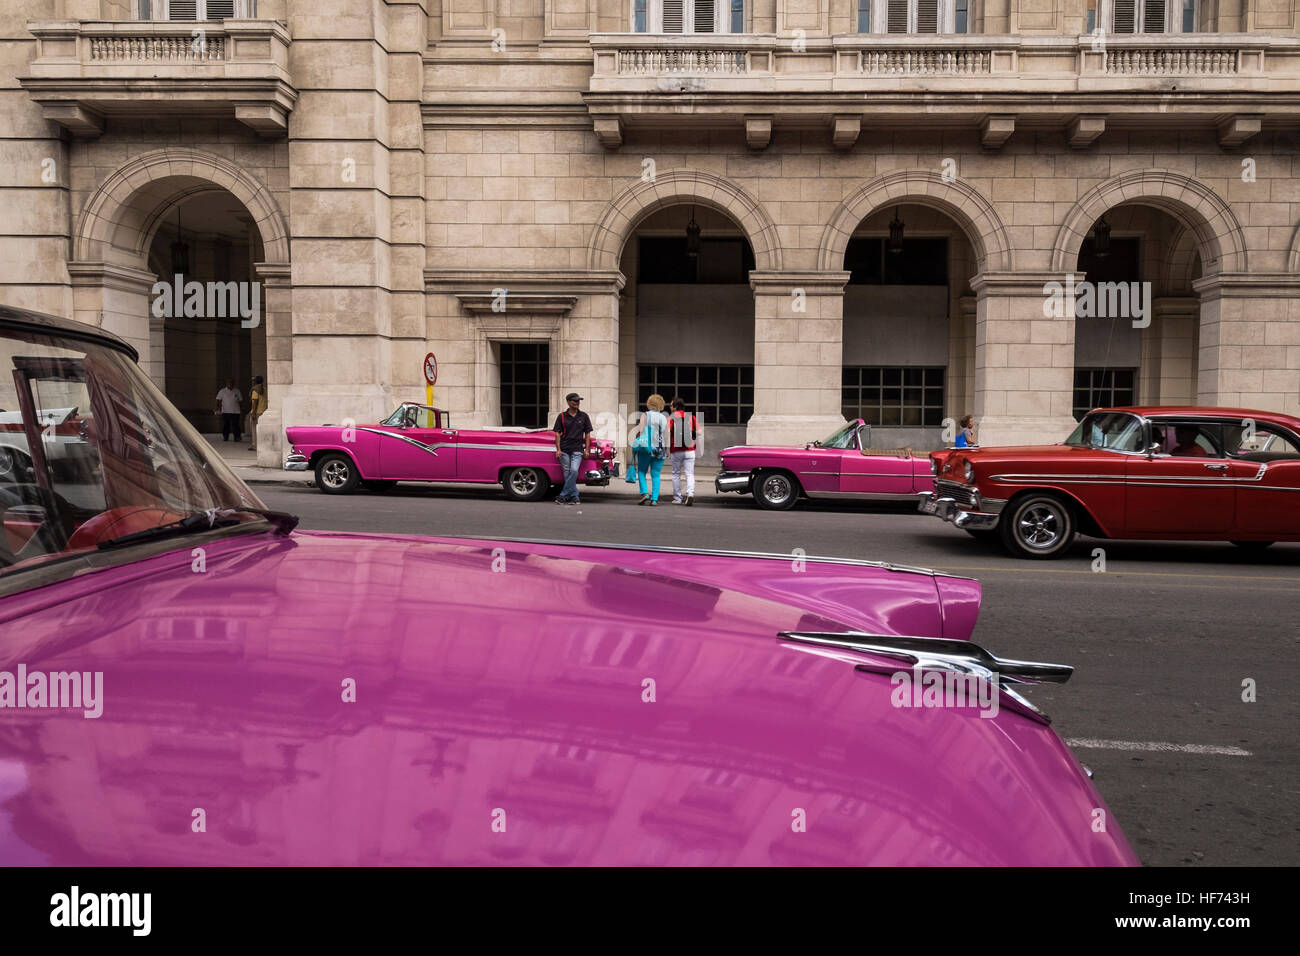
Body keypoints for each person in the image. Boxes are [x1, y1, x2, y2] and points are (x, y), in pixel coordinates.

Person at [552, 392, 594, 505]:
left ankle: (563, 496)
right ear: (568, 402)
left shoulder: (584, 416)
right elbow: (557, 434)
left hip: (577, 450)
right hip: (564, 450)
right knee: (567, 474)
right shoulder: (561, 416)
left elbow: (588, 434)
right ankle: (574, 497)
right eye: (575, 401)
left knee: (574, 471)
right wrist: (558, 449)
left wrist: (587, 450)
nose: (577, 403)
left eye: (578, 401)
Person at [632, 394, 667, 506]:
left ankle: (645, 493)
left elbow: (641, 431)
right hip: (659, 449)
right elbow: (666, 435)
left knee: (641, 471)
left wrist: (640, 444)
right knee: (655, 474)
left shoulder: (645, 415)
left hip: (646, 448)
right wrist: (668, 450)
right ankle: (654, 499)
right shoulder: (664, 417)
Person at [666, 396, 700, 506]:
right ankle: (690, 494)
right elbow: (699, 432)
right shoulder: (692, 417)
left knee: (676, 474)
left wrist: (666, 448)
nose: (670, 407)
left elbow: (667, 433)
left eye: (671, 405)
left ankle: (677, 498)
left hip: (676, 450)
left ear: (675, 407)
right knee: (689, 474)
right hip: (689, 450)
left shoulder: (671, 418)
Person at [215, 378, 242, 442]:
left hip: (236, 411)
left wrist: (242, 409)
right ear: (227, 384)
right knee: (226, 424)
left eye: (232, 382)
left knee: (235, 425)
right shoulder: (222, 391)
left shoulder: (237, 391)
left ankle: (237, 437)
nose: (231, 384)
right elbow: (218, 400)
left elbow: (240, 401)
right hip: (225, 411)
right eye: (229, 383)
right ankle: (225, 436)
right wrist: (217, 408)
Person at [247, 375, 268, 452]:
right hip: (264, 411)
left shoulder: (255, 390)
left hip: (257, 412)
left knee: (254, 429)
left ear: (255, 382)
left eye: (253, 380)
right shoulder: (265, 389)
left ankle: (254, 445)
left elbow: (255, 402)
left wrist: (253, 413)